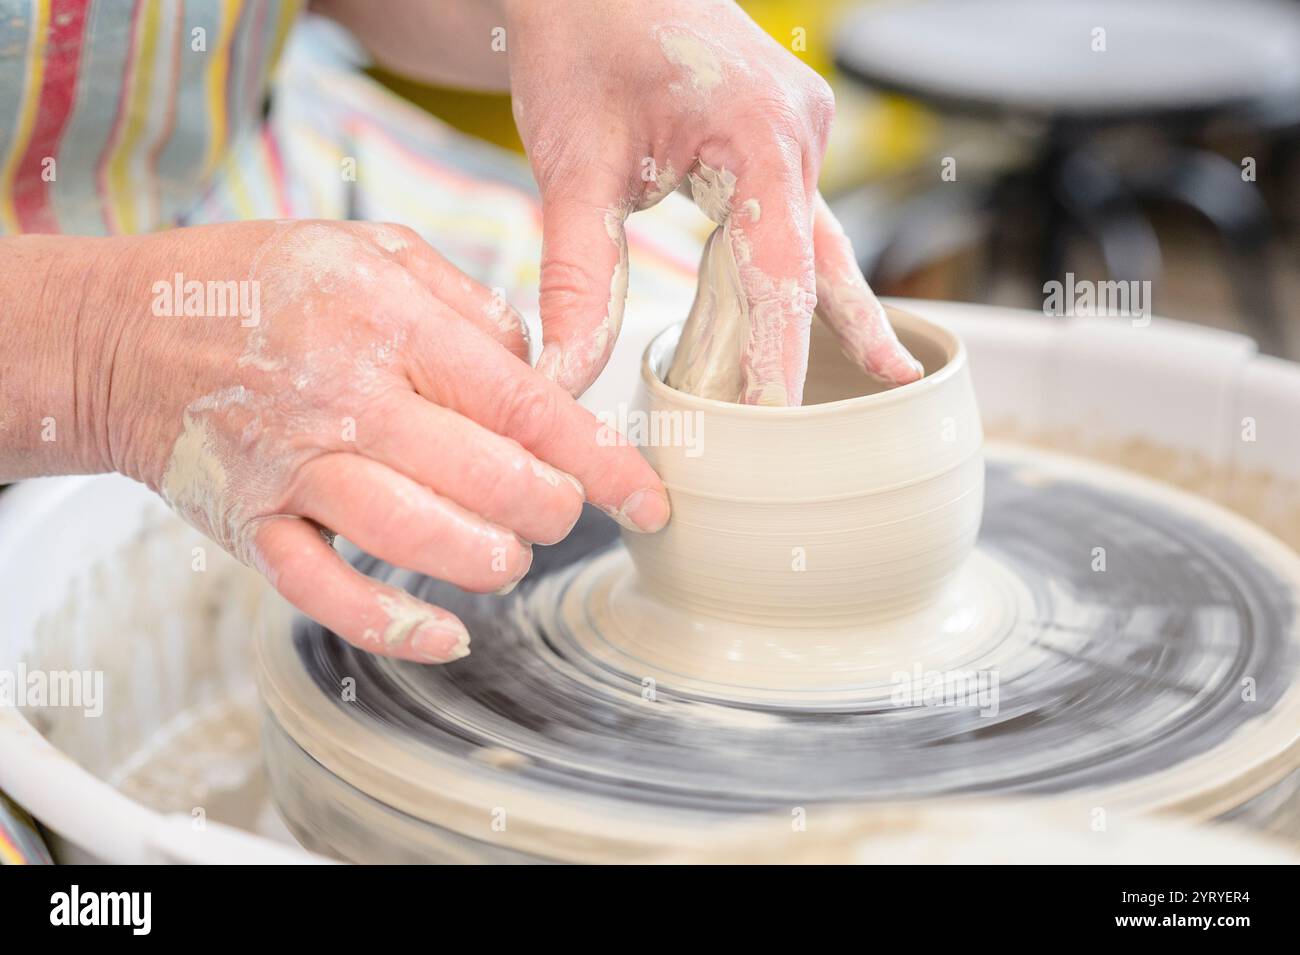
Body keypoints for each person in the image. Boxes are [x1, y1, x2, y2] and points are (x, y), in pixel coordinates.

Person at [0, 0, 919, 662]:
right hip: (44, 328)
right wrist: (103, 351)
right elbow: (98, 340)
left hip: (236, 170)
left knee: (705, 286)